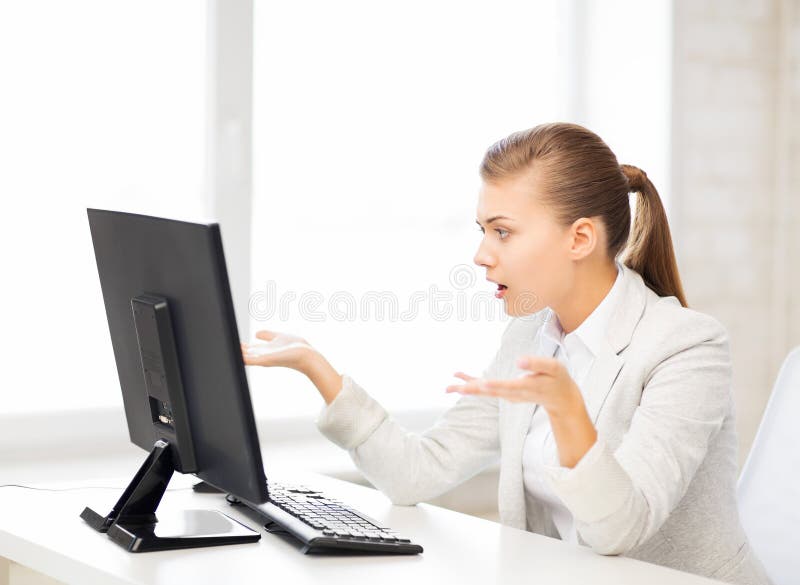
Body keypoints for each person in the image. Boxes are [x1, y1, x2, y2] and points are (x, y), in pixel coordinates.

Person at [241, 123, 770, 585]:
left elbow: (620, 529)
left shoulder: (687, 348)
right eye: (483, 231)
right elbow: (416, 473)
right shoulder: (530, 335)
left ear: (580, 238)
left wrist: (567, 412)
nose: (480, 254)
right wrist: (318, 370)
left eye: (502, 232)